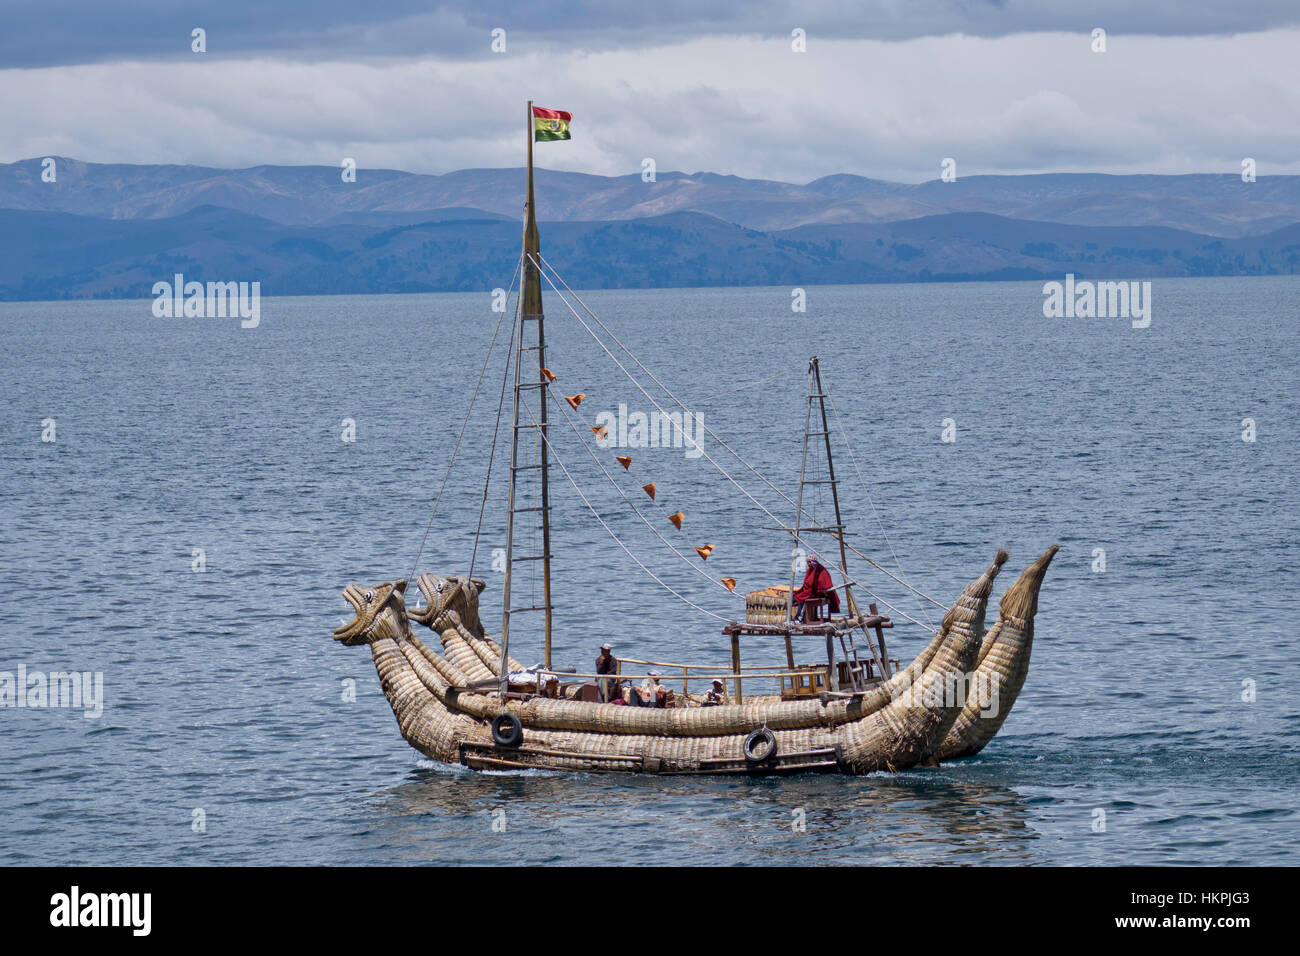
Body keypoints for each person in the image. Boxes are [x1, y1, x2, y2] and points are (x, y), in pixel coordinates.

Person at [794, 554, 841, 622]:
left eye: (810, 562)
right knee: (795, 596)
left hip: (820, 593)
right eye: (808, 562)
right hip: (811, 591)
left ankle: (799, 618)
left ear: (814, 562)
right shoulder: (810, 570)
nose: (808, 564)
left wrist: (814, 591)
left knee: (802, 599)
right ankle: (796, 616)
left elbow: (823, 585)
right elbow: (807, 583)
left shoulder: (821, 570)